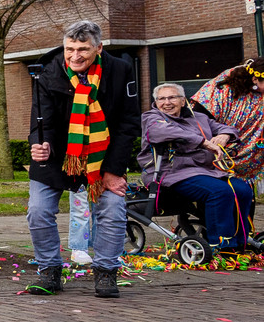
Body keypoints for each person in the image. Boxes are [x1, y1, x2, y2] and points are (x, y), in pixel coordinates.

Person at [26, 20, 139, 298]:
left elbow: (128, 124)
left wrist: (113, 170)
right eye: (70, 49)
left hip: (103, 157)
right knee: (38, 211)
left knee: (112, 209)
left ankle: (105, 272)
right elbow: (42, 122)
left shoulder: (121, 70)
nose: (75, 56)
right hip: (59, 156)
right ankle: (49, 271)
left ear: (98, 48)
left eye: (83, 50)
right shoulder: (46, 71)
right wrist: (41, 146)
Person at [139, 82, 255, 251]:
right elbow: (163, 132)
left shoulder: (198, 118)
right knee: (220, 192)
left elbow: (227, 128)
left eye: (172, 97)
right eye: (161, 99)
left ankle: (240, 242)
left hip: (206, 171)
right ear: (156, 102)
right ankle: (221, 245)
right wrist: (203, 142)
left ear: (183, 101)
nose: (167, 102)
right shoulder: (151, 118)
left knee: (243, 190)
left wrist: (224, 135)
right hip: (172, 173)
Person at [193, 57, 264, 179]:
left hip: (251, 155)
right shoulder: (223, 91)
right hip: (215, 152)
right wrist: (223, 134)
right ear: (255, 79)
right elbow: (199, 120)